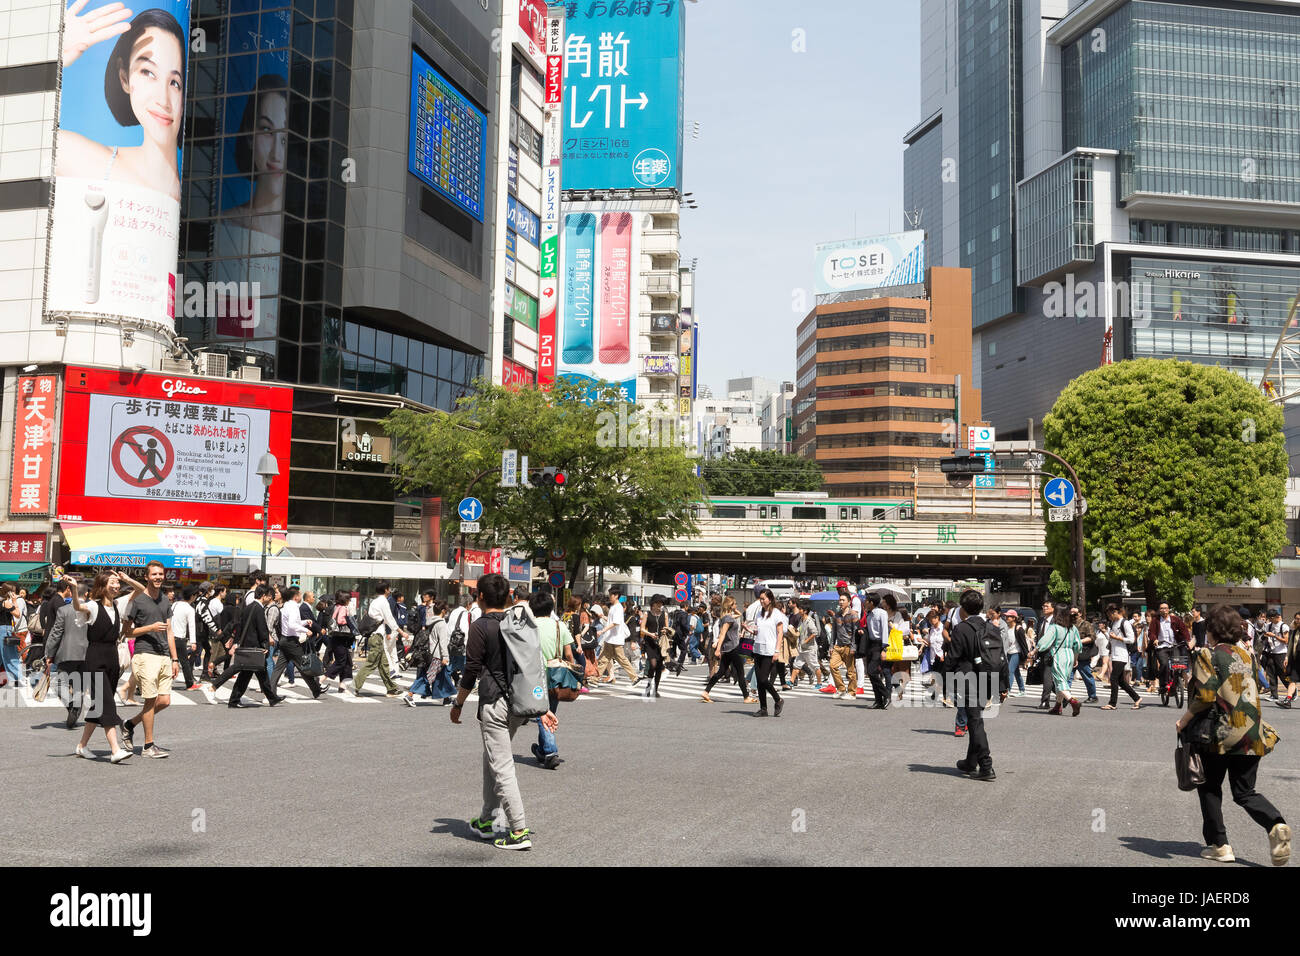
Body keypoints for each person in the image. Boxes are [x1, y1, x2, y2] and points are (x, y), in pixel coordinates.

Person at [450, 573, 558, 851]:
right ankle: (486, 819)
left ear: (481, 597)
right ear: (508, 595)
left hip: (495, 703)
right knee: (493, 758)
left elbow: (471, 670)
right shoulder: (517, 624)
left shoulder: (481, 626)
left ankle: (519, 831)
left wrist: (458, 703)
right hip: (518, 702)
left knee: (502, 765)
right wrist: (541, 708)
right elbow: (533, 665)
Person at [1177, 605, 1291, 865]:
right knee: (1245, 792)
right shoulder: (1247, 654)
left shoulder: (1208, 654)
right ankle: (1275, 824)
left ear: (1212, 631)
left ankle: (1219, 845)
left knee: (1209, 787)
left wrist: (1183, 721)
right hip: (1252, 733)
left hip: (1220, 733)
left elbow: (1206, 695)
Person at [55, 5, 186, 202]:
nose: (163, 100)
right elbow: (17, 145)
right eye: (148, 72)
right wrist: (52, 59)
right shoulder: (90, 162)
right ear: (124, 78)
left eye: (175, 83)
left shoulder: (194, 191)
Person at [69, 571, 136, 763]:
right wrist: (74, 588)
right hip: (95, 657)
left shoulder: (118, 604)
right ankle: (115, 750)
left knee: (99, 705)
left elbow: (139, 590)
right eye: (112, 583)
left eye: (117, 583)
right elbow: (77, 606)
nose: (116, 586)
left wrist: (127, 579)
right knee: (107, 702)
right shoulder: (93, 605)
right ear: (102, 585)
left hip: (112, 658)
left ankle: (81, 746)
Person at [120, 561, 178, 758]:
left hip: (163, 655)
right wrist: (150, 628)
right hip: (145, 654)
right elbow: (126, 632)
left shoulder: (164, 600)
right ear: (147, 577)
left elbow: (169, 631)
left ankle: (129, 724)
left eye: (161, 574)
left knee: (165, 701)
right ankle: (148, 746)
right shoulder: (137, 601)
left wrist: (175, 659)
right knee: (150, 700)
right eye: (154, 574)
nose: (158, 577)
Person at [949, 589, 996, 781]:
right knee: (974, 718)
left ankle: (986, 765)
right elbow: (999, 657)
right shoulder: (991, 627)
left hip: (967, 679)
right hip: (987, 679)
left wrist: (945, 683)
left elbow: (952, 658)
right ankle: (970, 761)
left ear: (963, 609)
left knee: (975, 722)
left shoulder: (961, 628)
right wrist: (1002, 686)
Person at [530, 590, 573, 768]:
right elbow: (569, 654)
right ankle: (543, 750)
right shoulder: (559, 626)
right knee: (549, 713)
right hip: (556, 676)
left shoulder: (529, 626)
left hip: (534, 675)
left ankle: (549, 750)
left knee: (542, 714)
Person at [224, 585, 284, 708]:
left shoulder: (248, 607)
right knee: (248, 675)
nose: (270, 598)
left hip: (249, 645)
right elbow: (262, 629)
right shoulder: (258, 609)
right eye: (269, 596)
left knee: (259, 674)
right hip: (255, 647)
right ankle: (234, 700)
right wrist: (265, 644)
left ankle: (272, 698)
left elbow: (240, 626)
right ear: (263, 596)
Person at [44, 579, 88, 729]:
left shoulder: (64, 610)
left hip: (67, 652)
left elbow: (56, 634)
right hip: (87, 653)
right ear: (87, 594)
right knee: (79, 685)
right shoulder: (93, 609)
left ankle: (71, 704)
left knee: (59, 683)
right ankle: (75, 704)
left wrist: (49, 654)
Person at [271, 586, 325, 698]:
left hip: (284, 640)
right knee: (304, 666)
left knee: (279, 669)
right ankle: (316, 689)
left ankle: (271, 692)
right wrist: (306, 630)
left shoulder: (286, 606)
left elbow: (293, 622)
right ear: (296, 597)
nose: (301, 596)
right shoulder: (294, 607)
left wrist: (305, 622)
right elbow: (292, 624)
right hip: (291, 642)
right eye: (300, 595)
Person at [351, 583, 403, 698]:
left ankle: (392, 689)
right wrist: (400, 631)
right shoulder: (383, 602)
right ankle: (355, 685)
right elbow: (389, 618)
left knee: (384, 664)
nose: (390, 590)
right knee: (371, 663)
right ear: (386, 590)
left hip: (374, 635)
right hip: (377, 636)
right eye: (389, 588)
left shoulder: (374, 601)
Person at [1032, 602, 1084, 716]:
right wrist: (1075, 659)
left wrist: (1034, 650)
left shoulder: (1054, 627)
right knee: (1062, 680)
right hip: (1070, 654)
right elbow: (1078, 645)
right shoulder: (1073, 628)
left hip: (1058, 655)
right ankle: (1057, 706)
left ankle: (1072, 701)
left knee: (1059, 681)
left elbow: (1044, 641)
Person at [700, 596, 755, 703]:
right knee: (740, 672)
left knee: (721, 672)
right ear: (730, 605)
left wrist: (733, 610)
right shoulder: (728, 619)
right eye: (734, 604)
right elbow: (722, 634)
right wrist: (718, 649)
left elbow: (738, 615)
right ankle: (746, 697)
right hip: (733, 648)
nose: (736, 606)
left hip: (729, 648)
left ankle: (706, 691)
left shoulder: (726, 617)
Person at [404, 600, 451, 706]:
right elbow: (443, 641)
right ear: (443, 611)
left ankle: (447, 698)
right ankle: (410, 695)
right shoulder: (441, 623)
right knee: (426, 677)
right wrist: (445, 656)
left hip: (429, 653)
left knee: (442, 676)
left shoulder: (430, 622)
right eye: (446, 610)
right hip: (437, 655)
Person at [750, 588, 787, 717]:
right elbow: (756, 631)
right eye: (760, 598)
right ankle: (763, 708)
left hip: (770, 650)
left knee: (763, 679)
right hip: (758, 648)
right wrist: (748, 629)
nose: (761, 601)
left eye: (763, 599)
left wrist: (777, 650)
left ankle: (778, 699)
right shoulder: (759, 613)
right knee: (760, 682)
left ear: (769, 599)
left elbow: (780, 633)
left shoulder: (776, 613)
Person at [1100, 603, 1142, 710]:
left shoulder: (1125, 623)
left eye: (1110, 615)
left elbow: (1131, 639)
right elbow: (1112, 639)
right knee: (1121, 681)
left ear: (1115, 612)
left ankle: (1112, 703)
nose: (1109, 617)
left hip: (1122, 654)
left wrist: (1118, 638)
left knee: (1113, 678)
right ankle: (1137, 698)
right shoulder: (1114, 623)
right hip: (1114, 654)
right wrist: (1106, 633)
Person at [596, 588, 639, 687]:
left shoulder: (618, 607)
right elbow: (612, 621)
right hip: (610, 638)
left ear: (616, 596)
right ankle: (595, 678)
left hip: (615, 638)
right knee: (604, 659)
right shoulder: (613, 607)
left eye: (611, 595)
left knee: (621, 659)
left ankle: (635, 678)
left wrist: (603, 630)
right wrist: (603, 617)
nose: (609, 597)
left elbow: (615, 623)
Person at [859, 592, 890, 709]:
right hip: (870, 645)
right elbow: (869, 629)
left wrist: (884, 649)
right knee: (872, 675)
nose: (865, 602)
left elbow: (884, 630)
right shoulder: (868, 614)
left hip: (879, 645)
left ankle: (886, 694)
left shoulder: (882, 613)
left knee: (872, 671)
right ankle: (878, 701)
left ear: (871, 602)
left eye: (866, 600)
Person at [825, 592, 859, 699]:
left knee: (850, 671)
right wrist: (831, 646)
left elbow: (855, 632)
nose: (841, 602)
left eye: (843, 600)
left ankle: (852, 693)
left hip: (849, 646)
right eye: (840, 600)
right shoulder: (837, 615)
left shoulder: (853, 614)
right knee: (832, 666)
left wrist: (854, 647)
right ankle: (841, 689)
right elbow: (834, 632)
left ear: (849, 602)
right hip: (838, 646)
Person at [882, 593, 914, 702]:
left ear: (889, 604)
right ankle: (897, 688)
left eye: (884, 602)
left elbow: (899, 630)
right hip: (883, 643)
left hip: (893, 644)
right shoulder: (882, 613)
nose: (882, 603)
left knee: (887, 669)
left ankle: (888, 694)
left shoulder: (897, 615)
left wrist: (890, 624)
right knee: (887, 670)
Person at [638, 595, 671, 697]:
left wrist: (665, 630)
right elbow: (642, 629)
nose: (659, 606)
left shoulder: (664, 614)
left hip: (660, 643)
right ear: (653, 604)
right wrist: (651, 634)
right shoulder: (646, 614)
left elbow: (667, 627)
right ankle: (648, 686)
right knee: (652, 664)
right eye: (658, 603)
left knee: (659, 666)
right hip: (650, 642)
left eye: (661, 604)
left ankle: (655, 689)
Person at [170, 585, 199, 691]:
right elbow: (191, 626)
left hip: (169, 637)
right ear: (192, 596)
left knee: (164, 661)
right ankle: (190, 684)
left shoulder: (175, 604)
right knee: (185, 663)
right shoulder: (190, 609)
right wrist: (193, 642)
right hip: (180, 639)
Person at [1003, 609, 1026, 697]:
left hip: (1016, 652)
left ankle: (1007, 691)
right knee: (1016, 672)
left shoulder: (1018, 629)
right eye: (1006, 616)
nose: (1006, 617)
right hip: (1008, 652)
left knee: (1010, 671)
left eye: (1009, 616)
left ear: (1014, 618)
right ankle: (1022, 689)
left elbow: (1024, 643)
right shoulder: (1007, 628)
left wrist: (1026, 656)